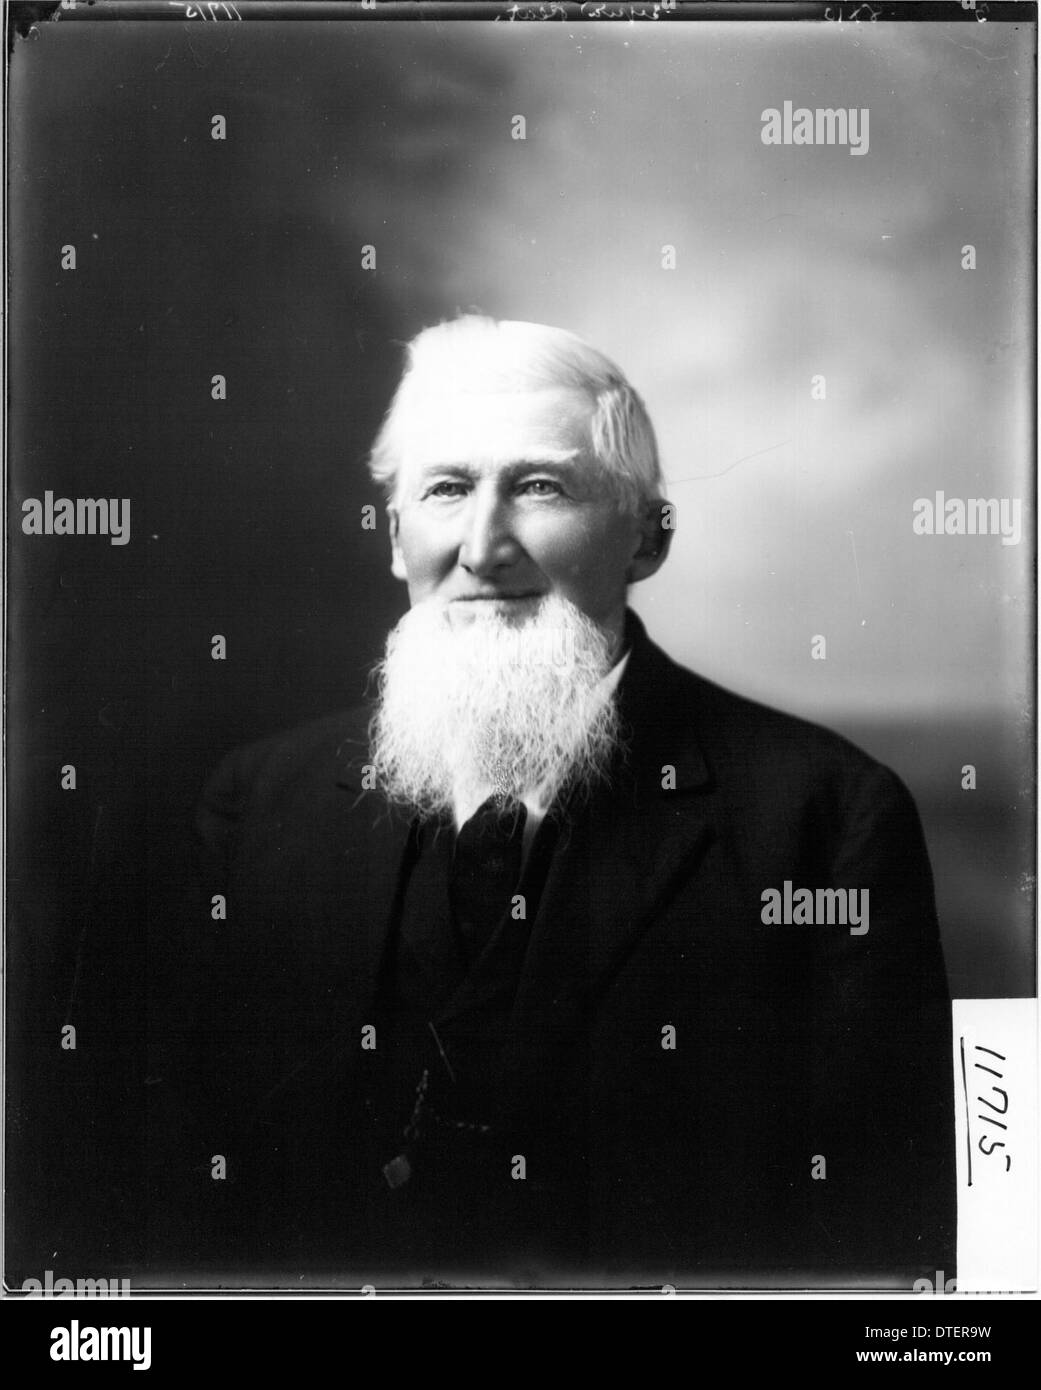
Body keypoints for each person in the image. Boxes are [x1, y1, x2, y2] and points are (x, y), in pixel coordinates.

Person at [181, 316, 955, 1287]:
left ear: (647, 538)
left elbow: (878, 1240)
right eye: (447, 489)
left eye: (539, 487)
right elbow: (186, 1192)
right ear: (392, 539)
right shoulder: (256, 805)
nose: (482, 545)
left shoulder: (826, 817)